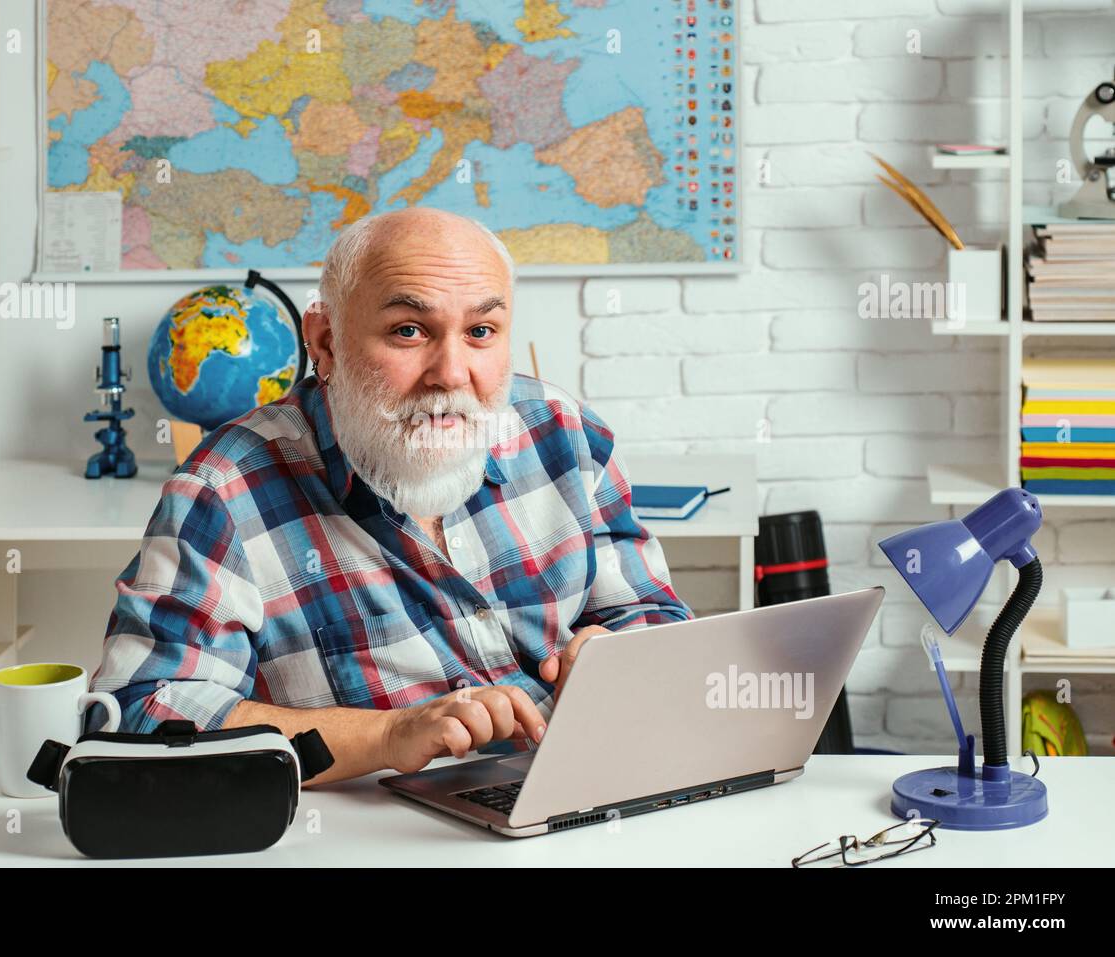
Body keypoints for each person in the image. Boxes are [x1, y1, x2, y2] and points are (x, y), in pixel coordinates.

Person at [91, 207, 693, 785]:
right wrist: (386, 737)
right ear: (325, 341)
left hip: (572, 795)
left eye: (481, 331)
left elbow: (652, 616)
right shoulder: (222, 494)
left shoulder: (564, 434)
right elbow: (142, 718)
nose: (452, 372)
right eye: (409, 331)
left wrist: (616, 648)